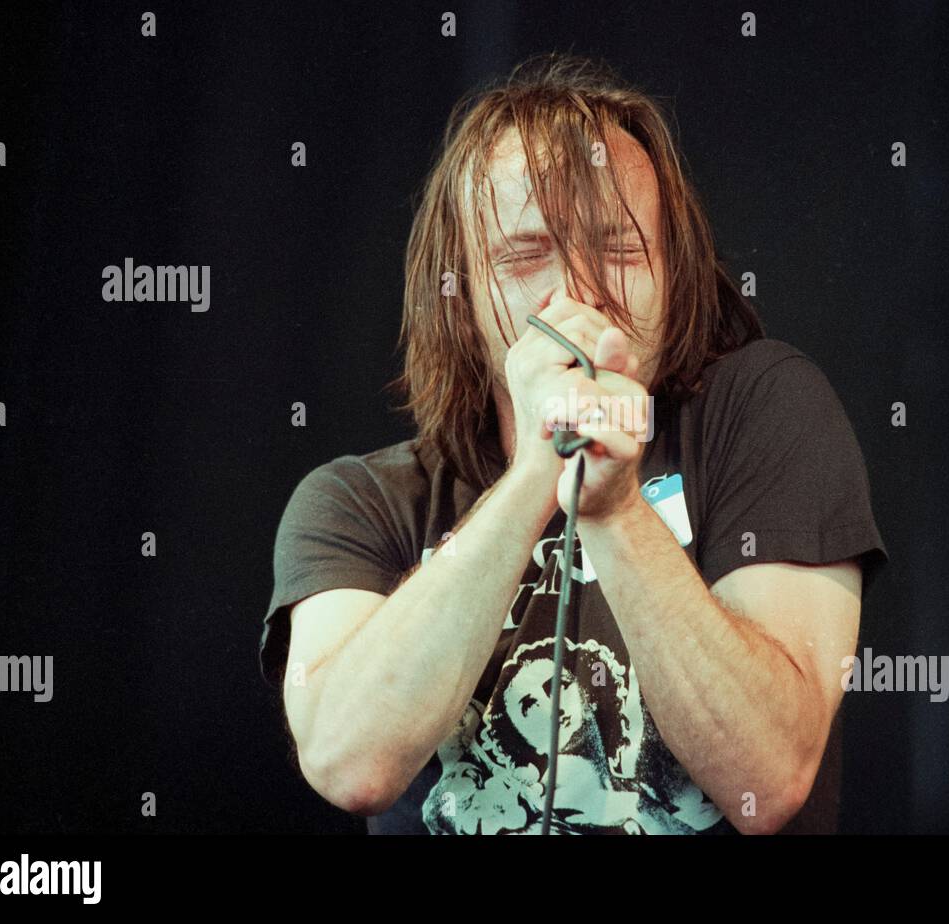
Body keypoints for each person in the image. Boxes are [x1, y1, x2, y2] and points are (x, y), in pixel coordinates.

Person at [260, 53, 888, 835]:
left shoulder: (761, 412)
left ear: (675, 276)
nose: (579, 296)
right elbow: (350, 763)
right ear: (459, 299)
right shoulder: (360, 503)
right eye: (524, 257)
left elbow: (771, 773)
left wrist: (618, 514)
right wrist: (535, 473)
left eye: (620, 251)